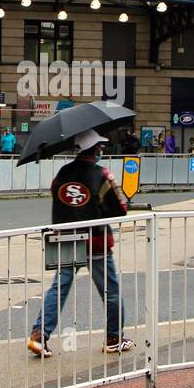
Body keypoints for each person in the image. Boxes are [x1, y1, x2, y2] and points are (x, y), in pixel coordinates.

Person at [28, 130, 135, 357]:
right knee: (111, 291)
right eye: (100, 147)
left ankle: (39, 336)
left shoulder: (62, 173)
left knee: (58, 289)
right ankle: (114, 338)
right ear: (95, 149)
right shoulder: (102, 174)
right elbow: (120, 208)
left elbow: (56, 195)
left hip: (66, 239)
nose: (102, 150)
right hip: (95, 240)